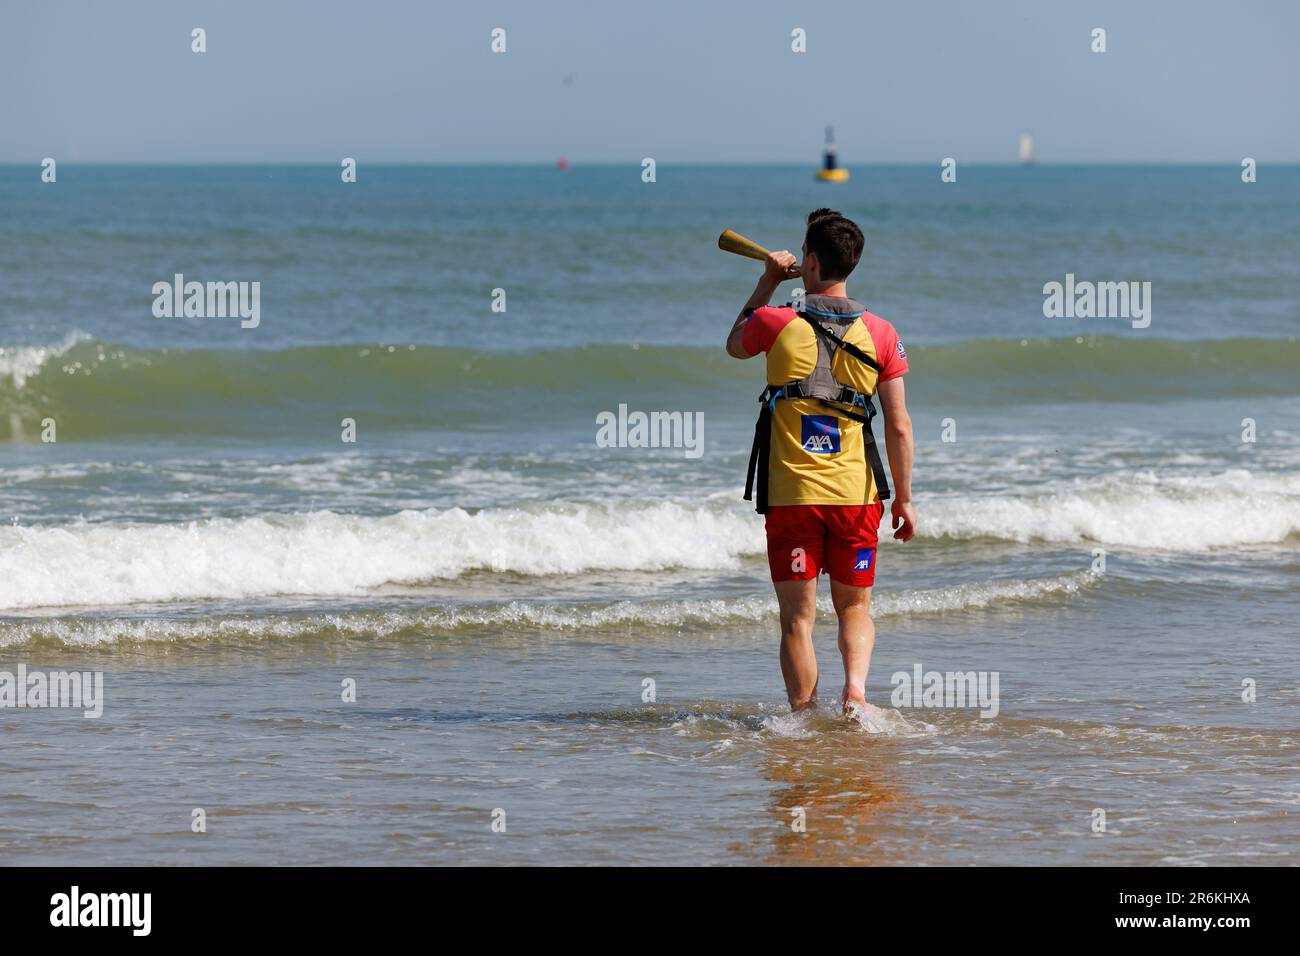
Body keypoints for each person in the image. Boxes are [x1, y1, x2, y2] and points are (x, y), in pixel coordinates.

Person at [725, 209, 916, 714]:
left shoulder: (774, 320)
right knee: (855, 608)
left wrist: (766, 279)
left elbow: (734, 344)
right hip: (857, 497)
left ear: (808, 262)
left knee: (797, 619)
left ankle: (804, 720)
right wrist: (906, 499)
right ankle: (855, 695)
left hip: (792, 498)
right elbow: (898, 425)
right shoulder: (881, 332)